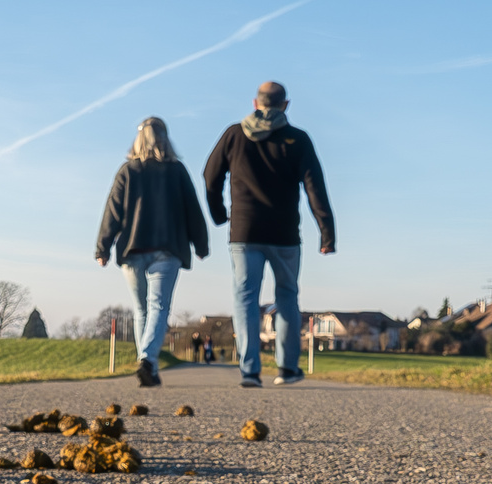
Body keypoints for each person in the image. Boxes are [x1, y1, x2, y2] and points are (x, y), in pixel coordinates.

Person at [203, 81, 334, 387]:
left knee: (245, 298)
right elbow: (315, 188)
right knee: (287, 297)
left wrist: (221, 215)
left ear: (255, 103)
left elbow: (210, 177)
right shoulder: (297, 139)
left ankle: (250, 371)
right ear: (285, 105)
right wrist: (327, 234)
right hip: (285, 234)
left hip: (244, 231)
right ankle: (287, 369)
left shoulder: (234, 134)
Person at [96, 117, 210, 388]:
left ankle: (147, 363)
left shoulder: (128, 171)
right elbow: (192, 209)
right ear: (165, 139)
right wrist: (201, 244)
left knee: (141, 309)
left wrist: (103, 247)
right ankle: (148, 360)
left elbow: (112, 210)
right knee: (158, 306)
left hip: (133, 249)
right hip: (167, 249)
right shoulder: (176, 170)